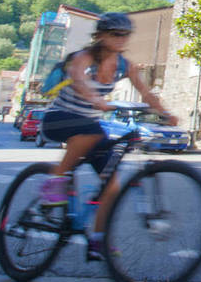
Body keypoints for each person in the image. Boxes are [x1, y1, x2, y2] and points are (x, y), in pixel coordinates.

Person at [38, 13, 176, 261]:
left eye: (125, 34)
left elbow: (145, 93)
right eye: (115, 33)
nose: (121, 39)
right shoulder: (84, 58)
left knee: (111, 184)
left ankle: (98, 240)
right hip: (59, 117)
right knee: (91, 132)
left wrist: (165, 113)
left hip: (89, 125)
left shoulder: (125, 66)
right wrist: (95, 99)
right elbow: (79, 79)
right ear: (100, 35)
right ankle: (54, 182)